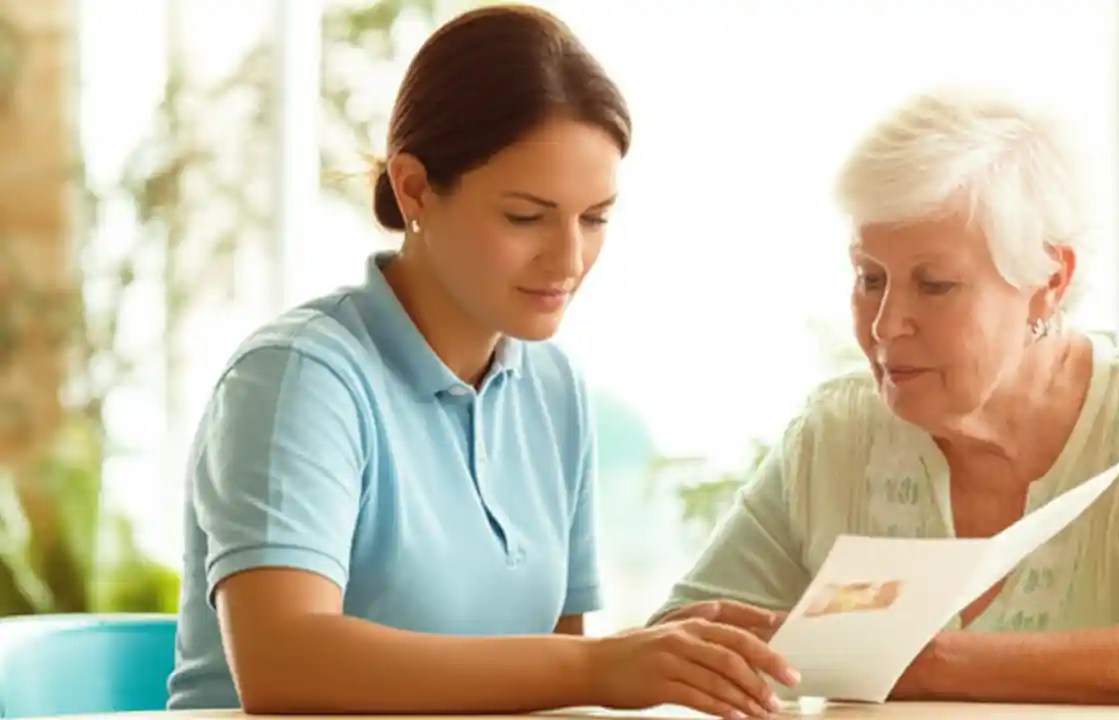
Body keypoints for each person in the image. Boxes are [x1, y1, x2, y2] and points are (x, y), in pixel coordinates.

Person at [166, 5, 798, 715]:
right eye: (526, 216)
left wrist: (654, 664)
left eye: (595, 219)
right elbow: (283, 665)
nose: (570, 259)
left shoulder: (553, 388)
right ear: (414, 189)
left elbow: (550, 677)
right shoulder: (299, 378)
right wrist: (596, 668)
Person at [652, 88, 1119, 709]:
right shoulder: (836, 434)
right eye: (870, 278)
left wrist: (907, 659)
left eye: (935, 285)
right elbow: (674, 643)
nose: (886, 324)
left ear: (1047, 281)